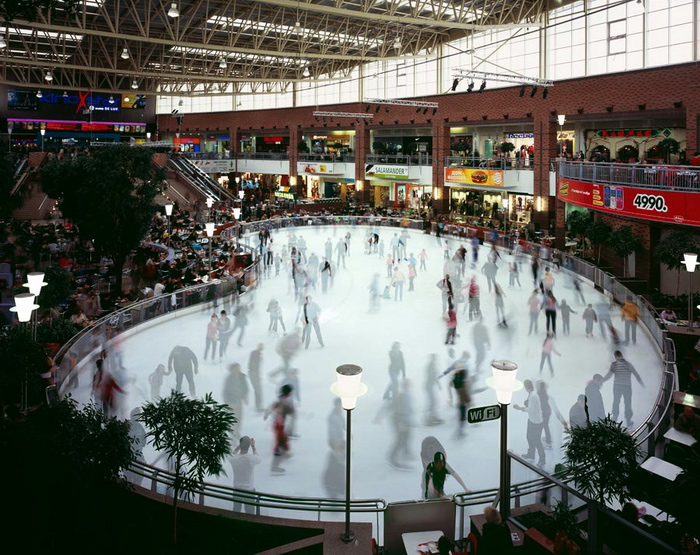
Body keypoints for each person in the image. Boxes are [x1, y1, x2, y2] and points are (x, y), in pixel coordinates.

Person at [603, 351, 645, 428]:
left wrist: (603, 380)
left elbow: (609, 375)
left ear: (615, 356)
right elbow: (636, 374)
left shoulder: (614, 364)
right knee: (628, 403)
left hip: (617, 386)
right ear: (621, 356)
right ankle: (628, 421)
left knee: (616, 402)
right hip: (627, 386)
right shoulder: (629, 364)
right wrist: (641, 382)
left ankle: (614, 418)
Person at [514, 379, 545, 467]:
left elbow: (530, 409)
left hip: (537, 422)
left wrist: (520, 408)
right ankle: (531, 454)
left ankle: (542, 459)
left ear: (526, 387)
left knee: (537, 440)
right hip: (532, 420)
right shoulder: (531, 394)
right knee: (529, 437)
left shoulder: (533, 396)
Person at [231, 436, 260, 514]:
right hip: (249, 489)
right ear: (249, 445)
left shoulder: (234, 459)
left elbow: (232, 453)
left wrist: (239, 446)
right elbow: (258, 458)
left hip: (237, 488)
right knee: (250, 512)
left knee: (236, 510)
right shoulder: (252, 458)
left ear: (240, 445)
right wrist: (253, 446)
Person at [223, 362, 249, 437]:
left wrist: (245, 397)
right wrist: (227, 403)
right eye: (236, 368)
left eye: (238, 368)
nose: (238, 370)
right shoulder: (229, 379)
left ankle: (237, 431)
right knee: (233, 418)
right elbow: (225, 392)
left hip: (239, 401)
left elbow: (245, 388)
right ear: (232, 370)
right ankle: (233, 433)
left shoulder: (242, 377)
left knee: (239, 417)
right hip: (231, 401)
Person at [248, 344, 264, 412]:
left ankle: (258, 405)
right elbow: (253, 364)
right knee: (258, 390)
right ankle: (258, 406)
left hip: (254, 373)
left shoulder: (256, 354)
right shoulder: (255, 354)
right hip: (253, 373)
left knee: (258, 390)